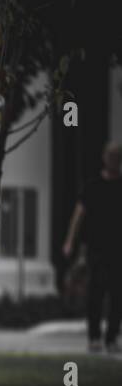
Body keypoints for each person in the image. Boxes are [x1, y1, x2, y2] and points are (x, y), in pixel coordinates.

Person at [63, 142, 122, 353]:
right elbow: (78, 216)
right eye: (111, 156)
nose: (114, 160)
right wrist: (70, 241)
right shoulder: (92, 186)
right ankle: (94, 337)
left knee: (117, 295)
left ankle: (112, 337)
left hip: (118, 250)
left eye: (117, 156)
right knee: (95, 294)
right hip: (96, 249)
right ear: (104, 158)